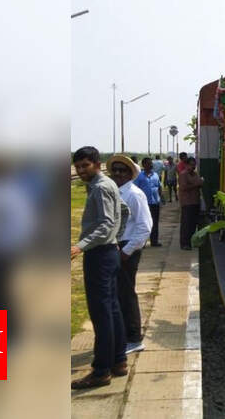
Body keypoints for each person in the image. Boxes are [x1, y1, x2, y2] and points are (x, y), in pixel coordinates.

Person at [71, 146, 128, 389]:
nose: (81, 170)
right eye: (78, 167)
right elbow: (123, 211)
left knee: (101, 313)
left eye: (85, 165)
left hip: (100, 256)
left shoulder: (101, 187)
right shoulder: (105, 184)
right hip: (108, 252)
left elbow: (105, 224)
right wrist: (117, 239)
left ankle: (101, 370)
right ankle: (119, 361)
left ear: (96, 164)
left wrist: (80, 246)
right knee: (112, 309)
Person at [107, 155, 152, 354]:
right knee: (117, 293)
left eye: (122, 170)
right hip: (117, 246)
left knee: (126, 294)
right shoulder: (115, 192)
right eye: (115, 170)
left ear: (129, 173)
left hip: (127, 248)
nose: (117, 173)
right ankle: (123, 334)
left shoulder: (134, 194)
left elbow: (145, 227)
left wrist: (126, 251)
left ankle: (134, 338)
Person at [134, 158, 163, 247]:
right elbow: (135, 189)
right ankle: (142, 243)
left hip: (155, 203)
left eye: (151, 164)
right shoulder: (139, 176)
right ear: (143, 165)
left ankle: (154, 241)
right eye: (149, 164)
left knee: (154, 223)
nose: (151, 165)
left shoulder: (156, 175)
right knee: (144, 223)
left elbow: (159, 187)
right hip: (144, 204)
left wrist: (160, 198)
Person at [178, 156, 205, 250]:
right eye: (191, 165)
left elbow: (198, 184)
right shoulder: (183, 174)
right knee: (186, 224)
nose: (193, 167)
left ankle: (191, 242)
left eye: (194, 165)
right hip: (187, 202)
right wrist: (197, 184)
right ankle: (184, 243)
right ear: (186, 165)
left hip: (195, 202)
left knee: (193, 224)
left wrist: (200, 183)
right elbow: (183, 187)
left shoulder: (195, 174)